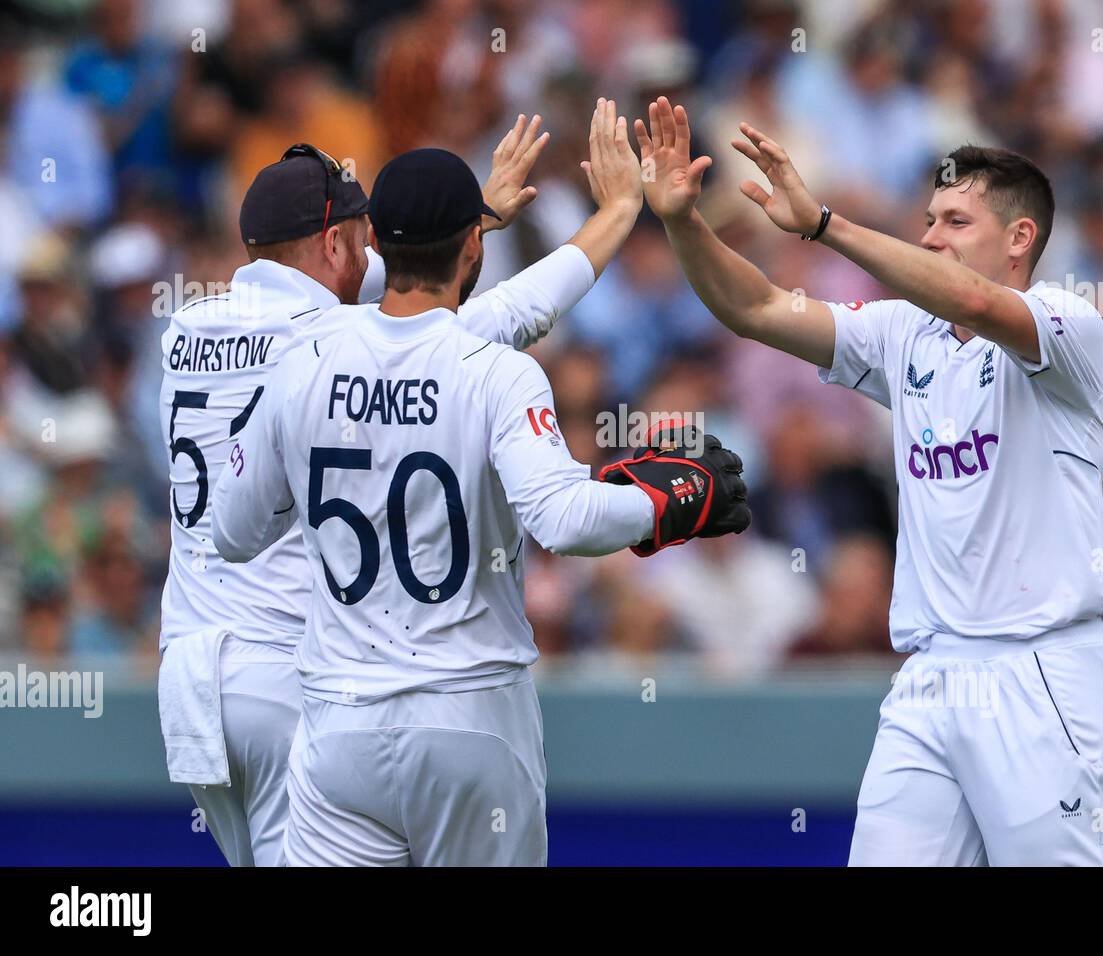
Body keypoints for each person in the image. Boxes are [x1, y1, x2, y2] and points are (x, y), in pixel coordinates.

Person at [209, 100, 749, 866]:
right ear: (476, 242)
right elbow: (563, 519)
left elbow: (233, 532)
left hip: (339, 728)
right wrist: (673, 499)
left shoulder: (306, 358)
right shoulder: (495, 371)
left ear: (375, 247)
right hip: (468, 716)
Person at [635, 95, 1103, 866]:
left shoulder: (1067, 324)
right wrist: (679, 221)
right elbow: (756, 306)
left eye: (955, 222)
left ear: (1020, 237)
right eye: (928, 218)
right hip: (931, 673)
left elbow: (969, 298)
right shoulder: (907, 334)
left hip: (1043, 673)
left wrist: (824, 224)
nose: (931, 236)